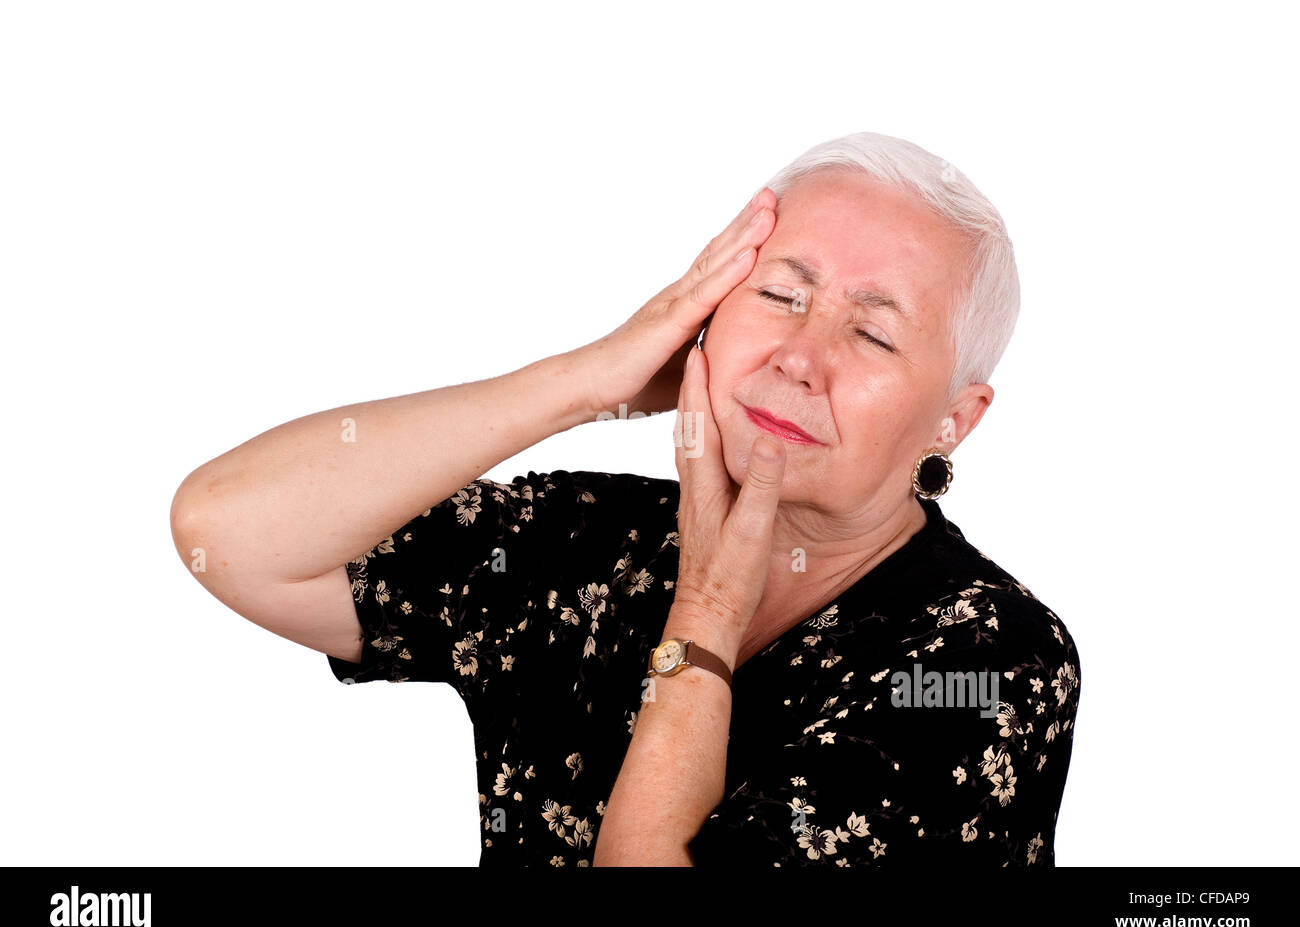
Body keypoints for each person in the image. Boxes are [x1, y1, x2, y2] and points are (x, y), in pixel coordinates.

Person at [170, 130, 1081, 867]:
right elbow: (231, 529)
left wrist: (709, 616)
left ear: (954, 420)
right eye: (777, 294)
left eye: (874, 335)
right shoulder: (591, 547)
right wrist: (588, 382)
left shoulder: (989, 657)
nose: (801, 360)